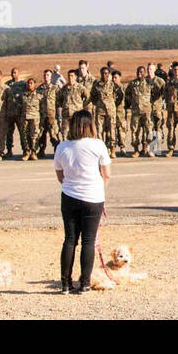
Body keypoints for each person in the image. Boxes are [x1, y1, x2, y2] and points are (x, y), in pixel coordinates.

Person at [53, 110, 111, 295]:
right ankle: (85, 283)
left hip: (69, 196)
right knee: (88, 240)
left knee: (70, 240)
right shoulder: (98, 145)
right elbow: (106, 173)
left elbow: (59, 174)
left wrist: (71, 185)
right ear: (89, 125)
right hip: (93, 197)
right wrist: (99, 189)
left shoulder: (62, 146)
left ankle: (65, 283)